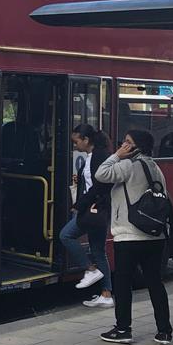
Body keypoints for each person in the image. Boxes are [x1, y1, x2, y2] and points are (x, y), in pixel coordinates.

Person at [94, 129, 173, 345]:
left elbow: (101, 174)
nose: (123, 145)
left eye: (128, 143)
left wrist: (117, 154)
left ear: (138, 146)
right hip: (154, 236)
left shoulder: (127, 166)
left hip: (129, 235)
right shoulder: (155, 167)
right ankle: (164, 332)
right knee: (155, 283)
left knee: (123, 283)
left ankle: (123, 329)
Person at [59, 124, 114, 307]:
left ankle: (90, 269)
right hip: (96, 210)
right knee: (99, 251)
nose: (75, 146)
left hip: (92, 209)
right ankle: (106, 295)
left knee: (66, 235)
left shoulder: (98, 157)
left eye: (76, 142)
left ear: (86, 140)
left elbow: (97, 186)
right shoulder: (95, 155)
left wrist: (79, 205)